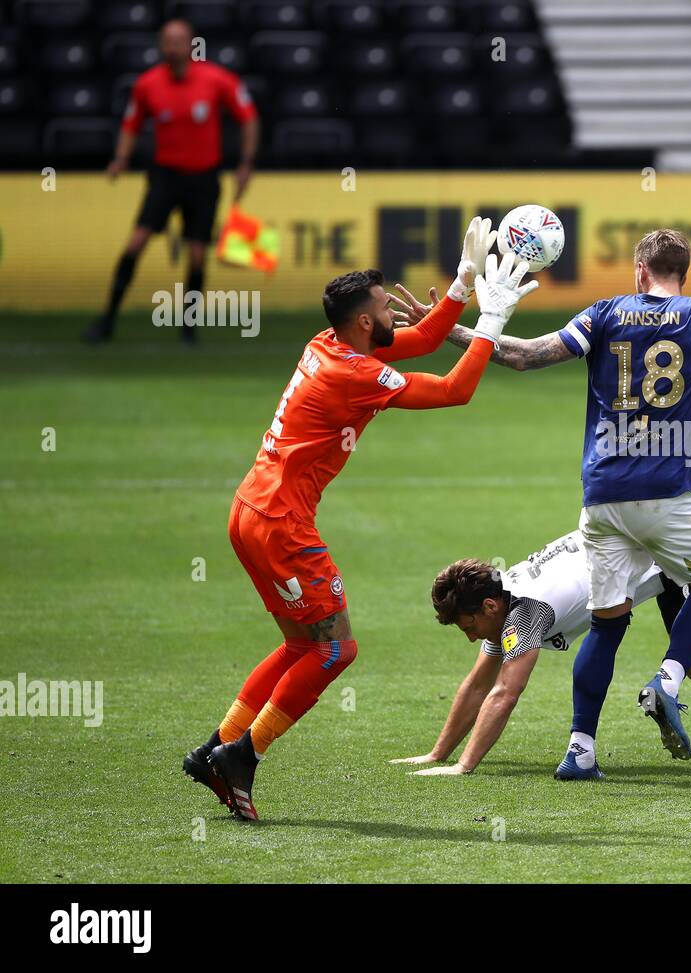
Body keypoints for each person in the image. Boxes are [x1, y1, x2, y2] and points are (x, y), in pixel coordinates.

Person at [390, 152, 691, 777]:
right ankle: (672, 681)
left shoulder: (603, 315)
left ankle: (583, 748)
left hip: (602, 499)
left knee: (635, 633)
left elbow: (525, 357)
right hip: (671, 498)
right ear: (686, 270)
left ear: (637, 269)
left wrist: (456, 330)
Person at [182, 220, 537, 821]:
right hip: (283, 524)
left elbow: (423, 338)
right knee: (334, 651)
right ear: (366, 322)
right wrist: (493, 321)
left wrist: (464, 282)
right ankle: (243, 755)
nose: (394, 309)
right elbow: (454, 390)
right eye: (383, 305)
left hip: (249, 509)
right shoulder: (355, 373)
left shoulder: (329, 344)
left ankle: (215, 749)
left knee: (301, 643)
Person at [390, 517, 691, 779]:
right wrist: (437, 753)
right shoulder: (509, 598)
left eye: (467, 623)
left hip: (686, 546)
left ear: (490, 606)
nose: (469, 634)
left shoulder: (523, 611)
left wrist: (464, 766)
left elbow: (503, 693)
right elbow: (478, 683)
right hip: (660, 562)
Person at [84, 19, 260, 344]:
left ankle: (188, 328)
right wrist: (121, 158)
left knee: (196, 254)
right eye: (168, 41)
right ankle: (107, 319)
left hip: (204, 178)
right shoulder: (148, 85)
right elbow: (131, 123)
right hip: (164, 177)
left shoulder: (217, 79)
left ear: (191, 44)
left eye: (179, 41)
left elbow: (248, 117)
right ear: (160, 45)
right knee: (135, 243)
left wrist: (245, 163)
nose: (173, 47)